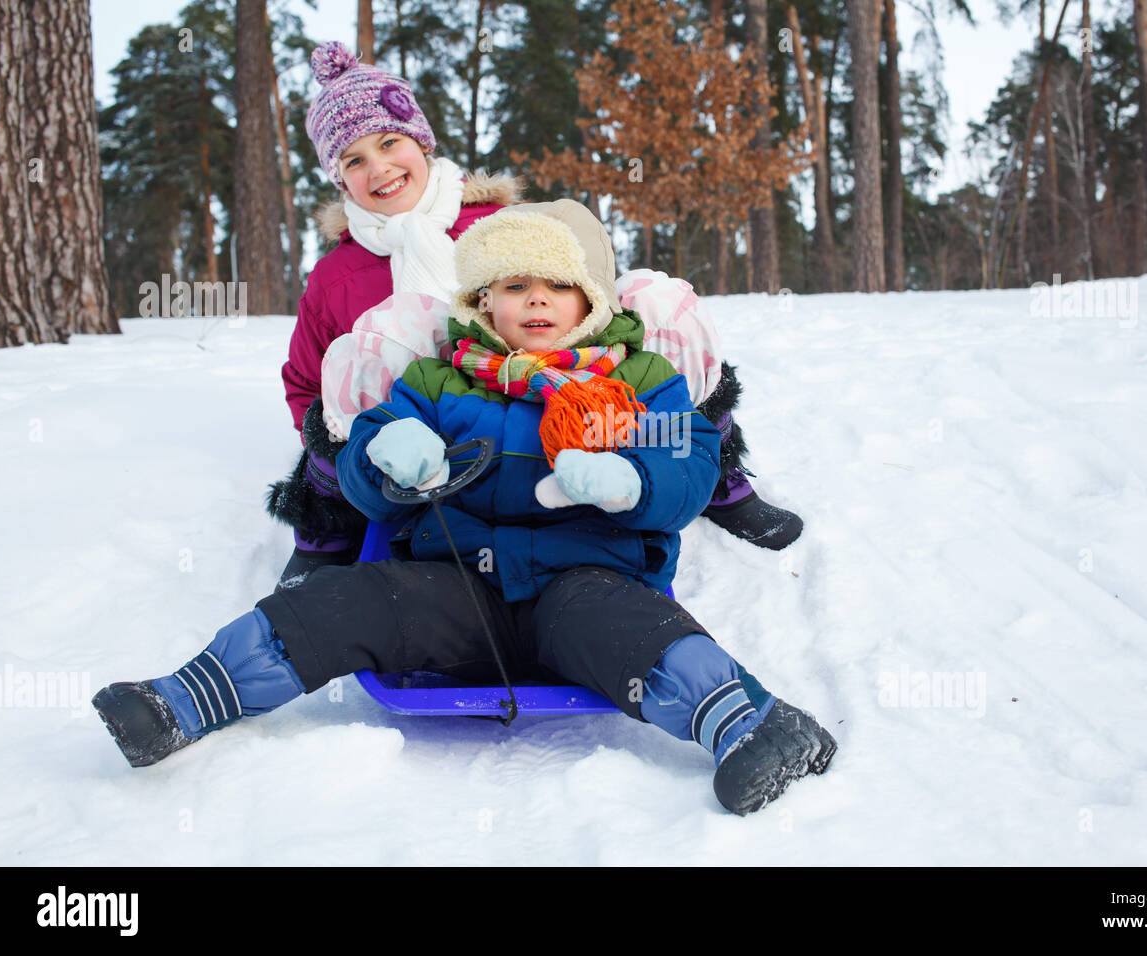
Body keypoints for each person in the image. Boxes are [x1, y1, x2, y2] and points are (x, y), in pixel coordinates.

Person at [92, 200, 835, 816]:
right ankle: (185, 700)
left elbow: (689, 465)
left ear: (590, 299)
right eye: (513, 286)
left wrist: (629, 482)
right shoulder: (439, 377)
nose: (536, 299)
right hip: (453, 581)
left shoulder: (642, 380)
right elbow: (365, 463)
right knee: (341, 602)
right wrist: (388, 457)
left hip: (587, 580)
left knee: (640, 636)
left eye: (556, 284)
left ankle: (757, 726)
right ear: (483, 302)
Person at [268, 41, 802, 591]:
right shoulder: (337, 275)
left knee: (656, 300)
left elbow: (578, 292)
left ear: (421, 143)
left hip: (552, 385)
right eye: (354, 160)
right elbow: (307, 379)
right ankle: (331, 523)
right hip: (433, 420)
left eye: (389, 142)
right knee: (377, 339)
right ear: (339, 178)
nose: (378, 167)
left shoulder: (500, 220)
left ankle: (709, 474)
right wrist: (342, 449)